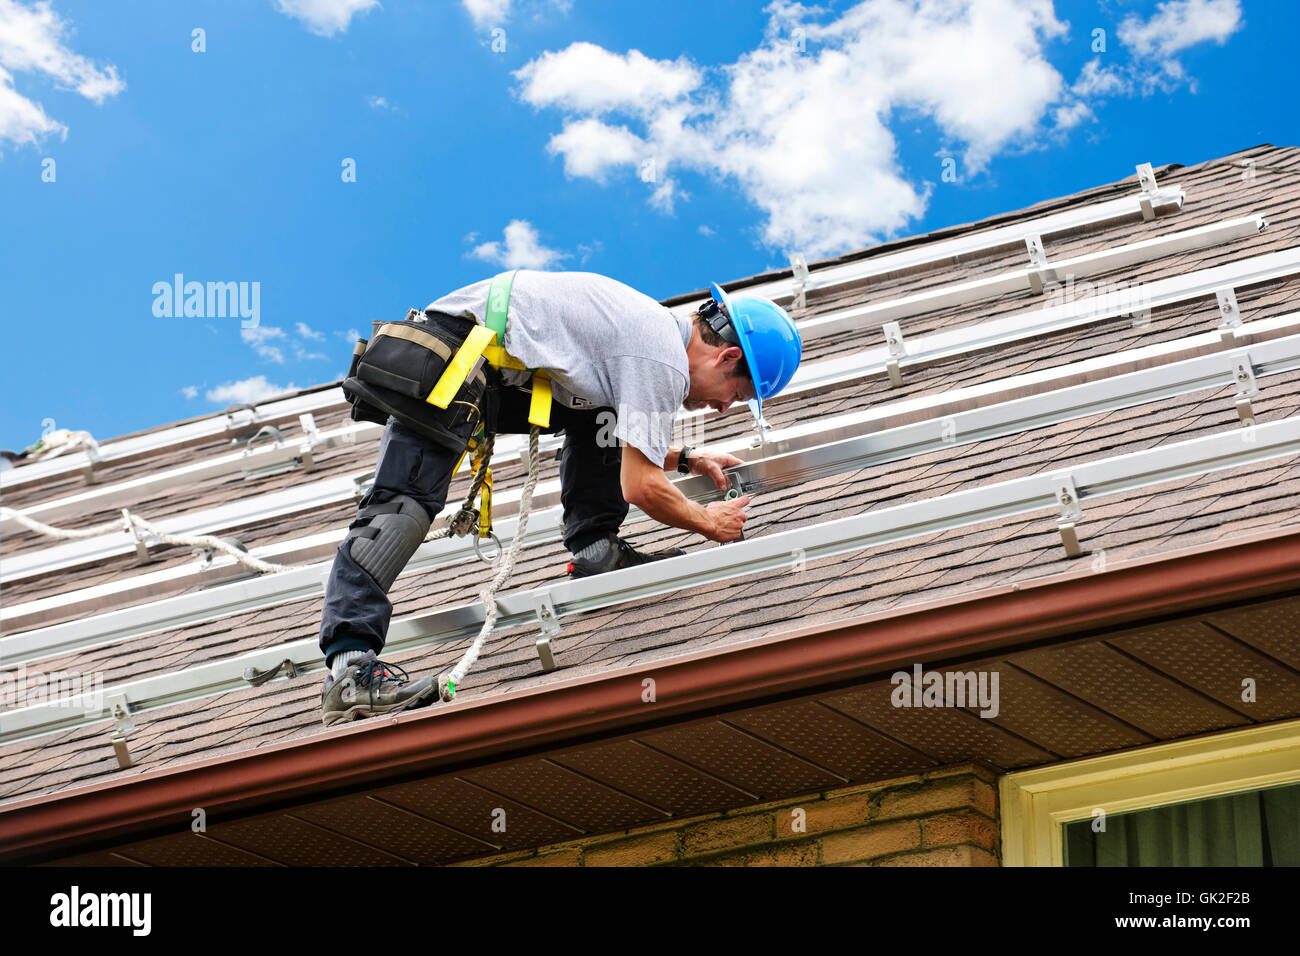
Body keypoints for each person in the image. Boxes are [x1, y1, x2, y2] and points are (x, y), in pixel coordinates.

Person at [318, 270, 802, 725]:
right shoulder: (662, 359)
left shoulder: (652, 335)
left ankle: (597, 550)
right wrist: (708, 523)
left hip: (486, 366)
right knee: (401, 512)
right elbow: (640, 486)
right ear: (728, 358)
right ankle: (349, 670)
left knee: (600, 414)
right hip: (451, 359)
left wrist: (684, 457)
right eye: (734, 397)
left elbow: (624, 433)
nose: (720, 407)